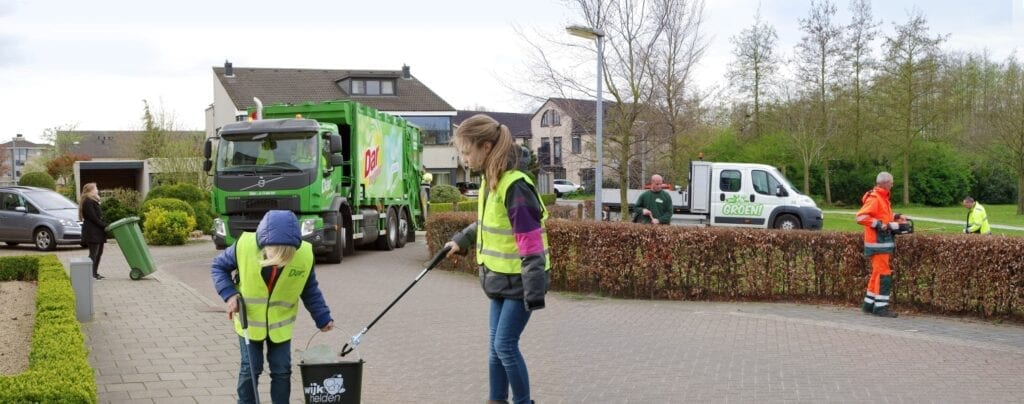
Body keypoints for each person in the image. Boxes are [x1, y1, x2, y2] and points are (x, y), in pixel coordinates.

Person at [443, 114, 549, 404]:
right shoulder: (493, 180)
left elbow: (530, 242)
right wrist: (462, 240)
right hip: (500, 277)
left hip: (520, 280)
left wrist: (534, 291)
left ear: (486, 147)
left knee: (505, 346)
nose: (464, 159)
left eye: (467, 151)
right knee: (495, 348)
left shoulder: (515, 185)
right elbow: (489, 222)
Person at [211, 210, 334, 404]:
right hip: (250, 322)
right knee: (251, 368)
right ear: (265, 245)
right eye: (274, 256)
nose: (279, 263)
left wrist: (322, 317)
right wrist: (229, 294)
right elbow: (218, 267)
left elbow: (309, 289)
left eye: (285, 258)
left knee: (282, 370)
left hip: (280, 325)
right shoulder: (244, 246)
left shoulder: (304, 255)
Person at [855, 172, 901, 318]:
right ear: (885, 183)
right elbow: (861, 217)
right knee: (883, 274)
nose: (892, 185)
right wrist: (880, 225)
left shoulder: (882, 198)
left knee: (877, 273)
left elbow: (882, 215)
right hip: (878, 243)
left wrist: (896, 217)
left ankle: (869, 305)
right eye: (891, 183)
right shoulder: (876, 198)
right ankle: (881, 308)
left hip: (880, 243)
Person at [79, 182, 107, 280]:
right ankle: (89, 274)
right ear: (90, 191)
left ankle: (94, 273)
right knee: (93, 254)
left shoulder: (93, 200)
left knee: (98, 253)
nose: (97, 190)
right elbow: (93, 218)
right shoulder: (88, 202)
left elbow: (97, 217)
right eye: (95, 188)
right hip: (92, 232)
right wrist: (105, 225)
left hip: (97, 232)